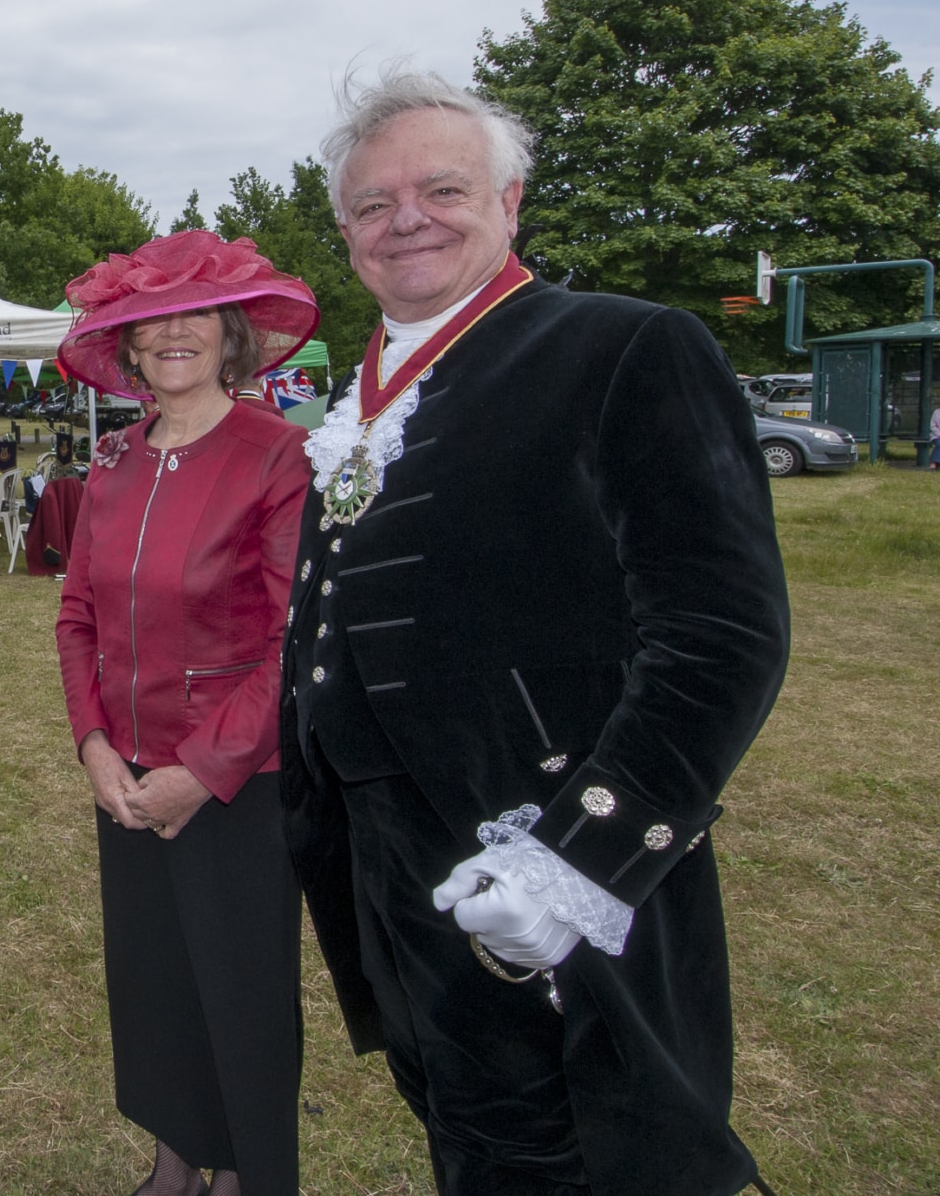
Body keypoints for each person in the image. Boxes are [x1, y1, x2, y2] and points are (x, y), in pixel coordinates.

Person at [283, 70, 788, 1196]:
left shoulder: (624, 346)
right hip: (386, 860)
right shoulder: (360, 398)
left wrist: (576, 864)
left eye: (441, 188)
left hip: (540, 853)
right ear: (346, 233)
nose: (403, 217)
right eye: (370, 205)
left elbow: (721, 633)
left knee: (601, 1153)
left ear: (510, 203)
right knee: (470, 1133)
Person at [51, 230, 317, 1196]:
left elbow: (298, 641)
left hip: (237, 784)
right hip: (123, 778)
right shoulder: (112, 460)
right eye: (149, 320)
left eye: (193, 315)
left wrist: (200, 774)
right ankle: (174, 1160)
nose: (173, 334)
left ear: (231, 333)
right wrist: (93, 748)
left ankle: (248, 1171)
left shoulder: (280, 456)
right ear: (124, 347)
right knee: (152, 982)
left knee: (239, 991)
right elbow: (76, 616)